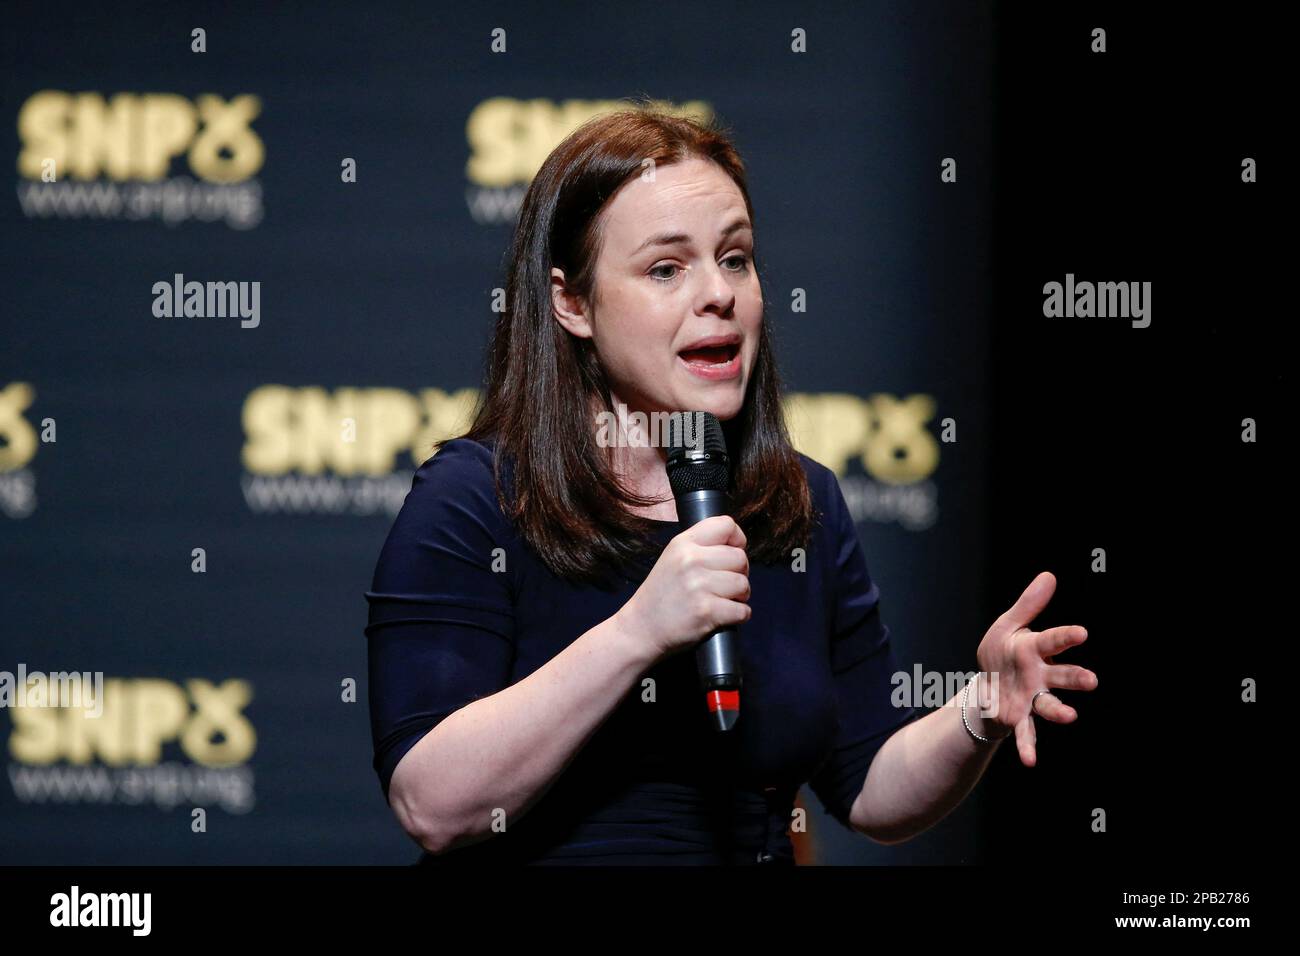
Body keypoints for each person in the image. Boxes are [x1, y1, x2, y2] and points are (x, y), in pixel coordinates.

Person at [364, 104, 1098, 865]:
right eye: (665, 268)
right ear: (571, 303)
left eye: (736, 258)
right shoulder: (477, 501)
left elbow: (873, 789)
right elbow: (433, 804)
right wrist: (638, 632)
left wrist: (978, 711)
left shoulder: (799, 506)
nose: (718, 293)